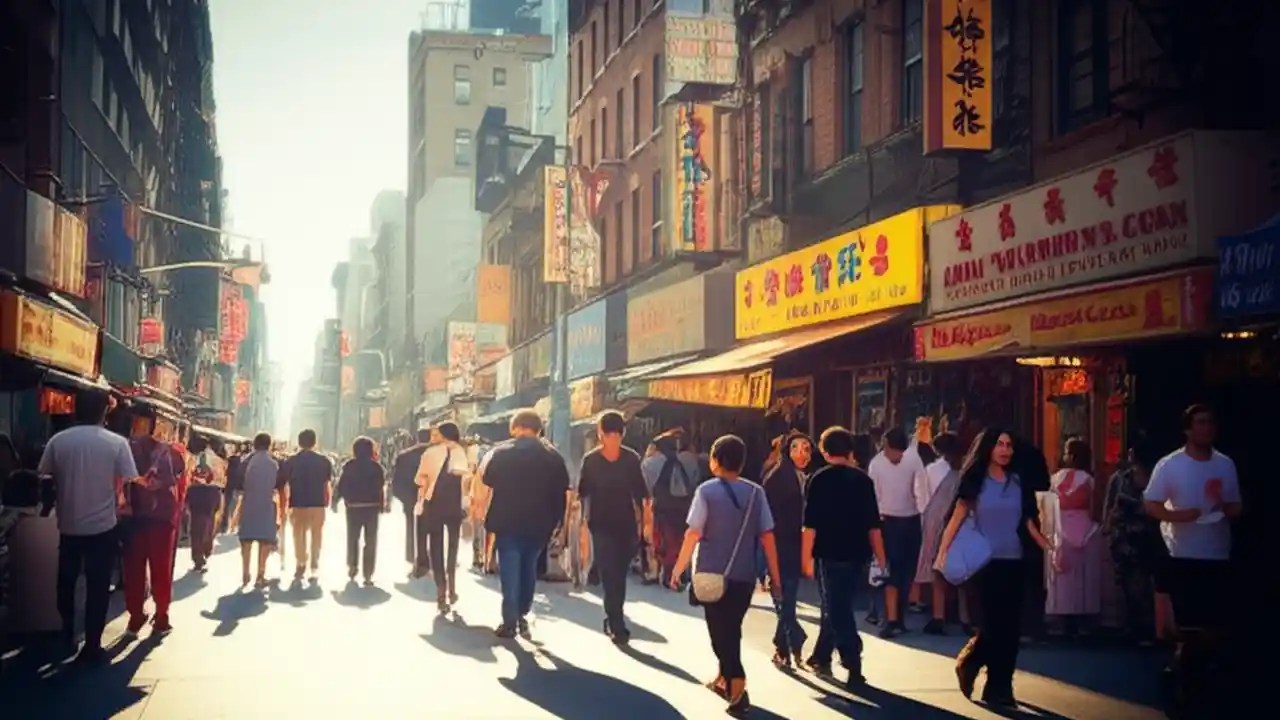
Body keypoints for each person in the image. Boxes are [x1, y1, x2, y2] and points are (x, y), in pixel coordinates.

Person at [937, 429, 1052, 707]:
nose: (1005, 450)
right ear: (988, 448)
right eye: (999, 444)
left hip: (1014, 559)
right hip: (984, 562)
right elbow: (957, 516)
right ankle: (971, 662)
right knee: (992, 624)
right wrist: (942, 552)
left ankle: (1000, 686)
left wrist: (1048, 546)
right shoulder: (976, 481)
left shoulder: (1017, 481)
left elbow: (1026, 521)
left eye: (1009, 445)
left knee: (1011, 627)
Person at [670, 435, 780, 718]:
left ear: (715, 460)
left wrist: (678, 568)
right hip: (743, 575)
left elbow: (693, 532)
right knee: (732, 628)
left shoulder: (706, 491)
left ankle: (738, 687)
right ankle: (723, 678)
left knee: (721, 634)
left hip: (710, 573)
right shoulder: (757, 493)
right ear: (742, 462)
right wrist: (775, 576)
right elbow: (767, 537)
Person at [1143, 404, 1242, 693]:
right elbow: (1151, 503)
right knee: (1185, 627)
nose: (1206, 428)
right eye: (1200, 423)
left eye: (1210, 422)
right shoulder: (1170, 464)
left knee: (1212, 626)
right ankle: (1180, 677)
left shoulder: (1225, 464)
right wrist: (1178, 515)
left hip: (1217, 552)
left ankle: (1203, 679)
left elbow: (1237, 505)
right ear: (1188, 429)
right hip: (1181, 553)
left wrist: (1224, 506)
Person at [37, 392, 138, 662]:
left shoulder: (58, 441)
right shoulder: (117, 443)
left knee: (66, 585)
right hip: (103, 527)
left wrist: (49, 508)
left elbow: (45, 478)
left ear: (75, 409)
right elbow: (128, 483)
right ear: (105, 412)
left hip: (67, 525)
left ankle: (67, 635)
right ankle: (92, 645)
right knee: (97, 587)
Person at [800, 427, 887, 688]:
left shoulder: (818, 479)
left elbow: (810, 525)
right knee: (838, 603)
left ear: (824, 452)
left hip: (828, 552)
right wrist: (881, 557)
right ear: (850, 451)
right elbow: (874, 524)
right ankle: (821, 655)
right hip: (858, 553)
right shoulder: (863, 480)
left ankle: (852, 657)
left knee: (837, 608)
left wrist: (805, 559)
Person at [481, 410, 569, 638]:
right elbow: (561, 492)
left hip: (507, 521)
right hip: (539, 523)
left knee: (510, 570)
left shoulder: (501, 453)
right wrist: (557, 522)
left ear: (516, 427)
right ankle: (522, 612)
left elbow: (487, 478)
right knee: (529, 567)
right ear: (538, 429)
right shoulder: (553, 457)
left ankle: (509, 620)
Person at [577, 410, 648, 644]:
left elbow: (641, 493)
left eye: (617, 434)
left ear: (622, 434)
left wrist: (646, 525)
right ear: (600, 435)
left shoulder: (630, 459)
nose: (613, 439)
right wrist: (580, 528)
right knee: (611, 575)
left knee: (619, 572)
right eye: (609, 434)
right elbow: (582, 494)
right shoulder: (591, 460)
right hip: (600, 524)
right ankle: (616, 622)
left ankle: (614, 615)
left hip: (626, 525)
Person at [1102, 436, 1167, 644]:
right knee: (1128, 581)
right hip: (1124, 535)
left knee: (1146, 583)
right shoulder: (1120, 478)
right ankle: (1133, 625)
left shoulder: (1156, 478)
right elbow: (1109, 502)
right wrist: (1108, 525)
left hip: (1149, 533)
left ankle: (1150, 627)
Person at [122, 428, 186, 637]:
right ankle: (161, 617)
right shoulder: (172, 451)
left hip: (134, 515)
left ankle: (135, 616)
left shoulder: (127, 448)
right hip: (162, 517)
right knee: (161, 567)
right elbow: (179, 476)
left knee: (134, 568)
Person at [866, 427, 925, 637]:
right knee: (890, 571)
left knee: (907, 572)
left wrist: (923, 512)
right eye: (894, 453)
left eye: (901, 453)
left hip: (911, 519)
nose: (897, 457)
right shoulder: (876, 465)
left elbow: (921, 488)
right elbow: (873, 496)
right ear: (886, 447)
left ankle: (899, 616)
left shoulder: (912, 459)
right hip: (887, 520)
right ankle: (889, 619)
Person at [761, 431, 813, 669]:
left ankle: (784, 645)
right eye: (796, 448)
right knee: (783, 593)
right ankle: (790, 639)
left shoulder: (803, 476)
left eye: (806, 449)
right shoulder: (778, 477)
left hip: (795, 542)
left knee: (786, 595)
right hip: (780, 542)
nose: (802, 454)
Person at [1045, 437, 1103, 630]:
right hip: (1085, 529)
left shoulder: (1055, 478)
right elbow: (1094, 509)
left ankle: (1062, 616)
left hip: (1061, 529)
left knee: (1062, 577)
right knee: (1084, 576)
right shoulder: (1089, 480)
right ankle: (1084, 617)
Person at [416, 422, 472, 612]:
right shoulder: (462, 452)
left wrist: (421, 500)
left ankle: (441, 588)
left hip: (434, 504)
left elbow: (420, 480)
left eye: (436, 433)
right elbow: (466, 479)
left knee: (436, 545)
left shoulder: (430, 453)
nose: (433, 437)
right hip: (454, 504)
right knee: (453, 545)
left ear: (443, 435)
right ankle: (453, 586)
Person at [914, 432, 966, 635]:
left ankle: (938, 615)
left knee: (937, 569)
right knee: (962, 569)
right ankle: (964, 615)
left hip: (935, 519)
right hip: (960, 520)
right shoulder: (962, 471)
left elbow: (922, 496)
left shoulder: (931, 470)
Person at [641, 429, 699, 589]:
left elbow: (644, 488)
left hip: (661, 507)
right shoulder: (691, 460)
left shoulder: (650, 463)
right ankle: (678, 571)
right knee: (681, 539)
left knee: (661, 539)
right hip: (685, 507)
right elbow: (695, 482)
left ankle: (661, 570)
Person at [280, 429, 333, 581]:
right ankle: (314, 563)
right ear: (315, 442)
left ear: (299, 442)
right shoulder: (324, 461)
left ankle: (301, 562)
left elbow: (285, 484)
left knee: (298, 534)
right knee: (317, 534)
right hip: (317, 503)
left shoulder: (290, 461)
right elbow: (327, 484)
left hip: (297, 502)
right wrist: (327, 500)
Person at [335, 436, 385, 586]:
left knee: (353, 538)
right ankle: (368, 573)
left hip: (353, 507)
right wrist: (382, 504)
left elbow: (342, 485)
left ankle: (353, 566)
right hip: (372, 507)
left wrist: (337, 499)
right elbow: (381, 487)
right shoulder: (377, 467)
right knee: (371, 540)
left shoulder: (349, 465)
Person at [238, 433, 286, 588]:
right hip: (267, 503)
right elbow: (280, 484)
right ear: (269, 445)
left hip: (249, 502)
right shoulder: (275, 463)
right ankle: (260, 574)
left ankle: (245, 572)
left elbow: (238, 482)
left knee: (246, 539)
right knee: (265, 540)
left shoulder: (246, 461)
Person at [393, 428, 432, 578]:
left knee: (413, 528)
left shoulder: (404, 456)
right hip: (434, 499)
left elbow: (396, 482)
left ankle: (415, 557)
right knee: (435, 529)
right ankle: (431, 556)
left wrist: (404, 498)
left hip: (411, 499)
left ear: (417, 438)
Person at [185, 436, 225, 573]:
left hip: (198, 492)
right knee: (209, 523)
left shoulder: (196, 458)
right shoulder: (219, 460)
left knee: (196, 526)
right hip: (213, 494)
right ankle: (206, 549)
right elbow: (222, 481)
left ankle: (198, 556)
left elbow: (194, 477)